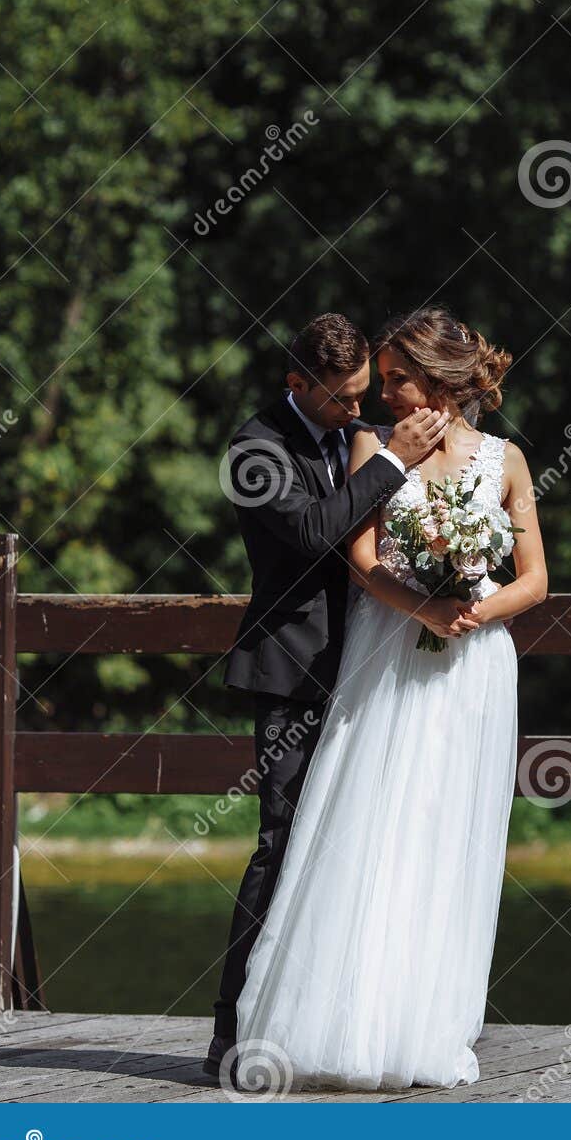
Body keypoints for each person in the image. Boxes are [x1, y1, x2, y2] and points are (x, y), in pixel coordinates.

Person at [228, 306, 547, 1093]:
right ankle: (283, 1027)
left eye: (393, 382)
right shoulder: (359, 448)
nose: (377, 401)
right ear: (301, 384)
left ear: (439, 382)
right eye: (364, 389)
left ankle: (421, 1027)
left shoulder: (506, 459)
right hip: (382, 652)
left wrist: (475, 608)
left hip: (470, 670)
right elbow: (350, 554)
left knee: (444, 840)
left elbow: (536, 577)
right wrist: (426, 606)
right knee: (340, 833)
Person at [204, 312, 449, 1082]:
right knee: (281, 846)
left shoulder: (358, 436)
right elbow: (313, 535)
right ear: (296, 383)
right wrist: (391, 465)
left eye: (359, 397)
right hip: (293, 674)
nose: (356, 410)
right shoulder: (254, 450)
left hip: (368, 666)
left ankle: (326, 1028)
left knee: (355, 851)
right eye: (342, 400)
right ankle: (230, 1034)